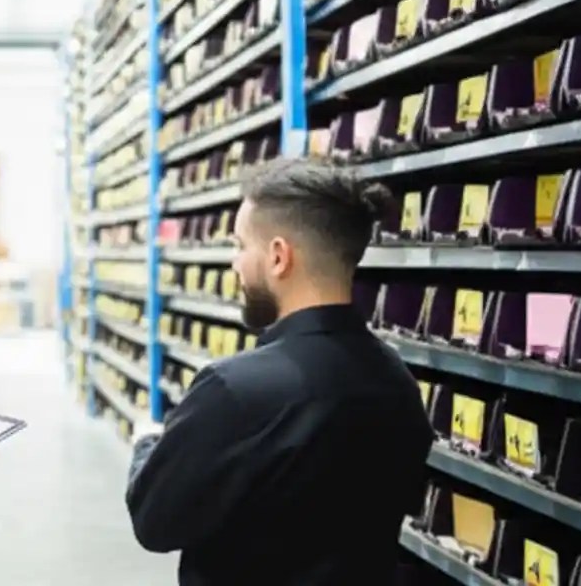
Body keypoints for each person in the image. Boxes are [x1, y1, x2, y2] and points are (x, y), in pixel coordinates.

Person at [125, 158, 435, 585]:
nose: (235, 263)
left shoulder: (235, 390)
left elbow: (155, 523)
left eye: (240, 245)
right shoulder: (397, 381)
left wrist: (146, 444)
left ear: (277, 256)